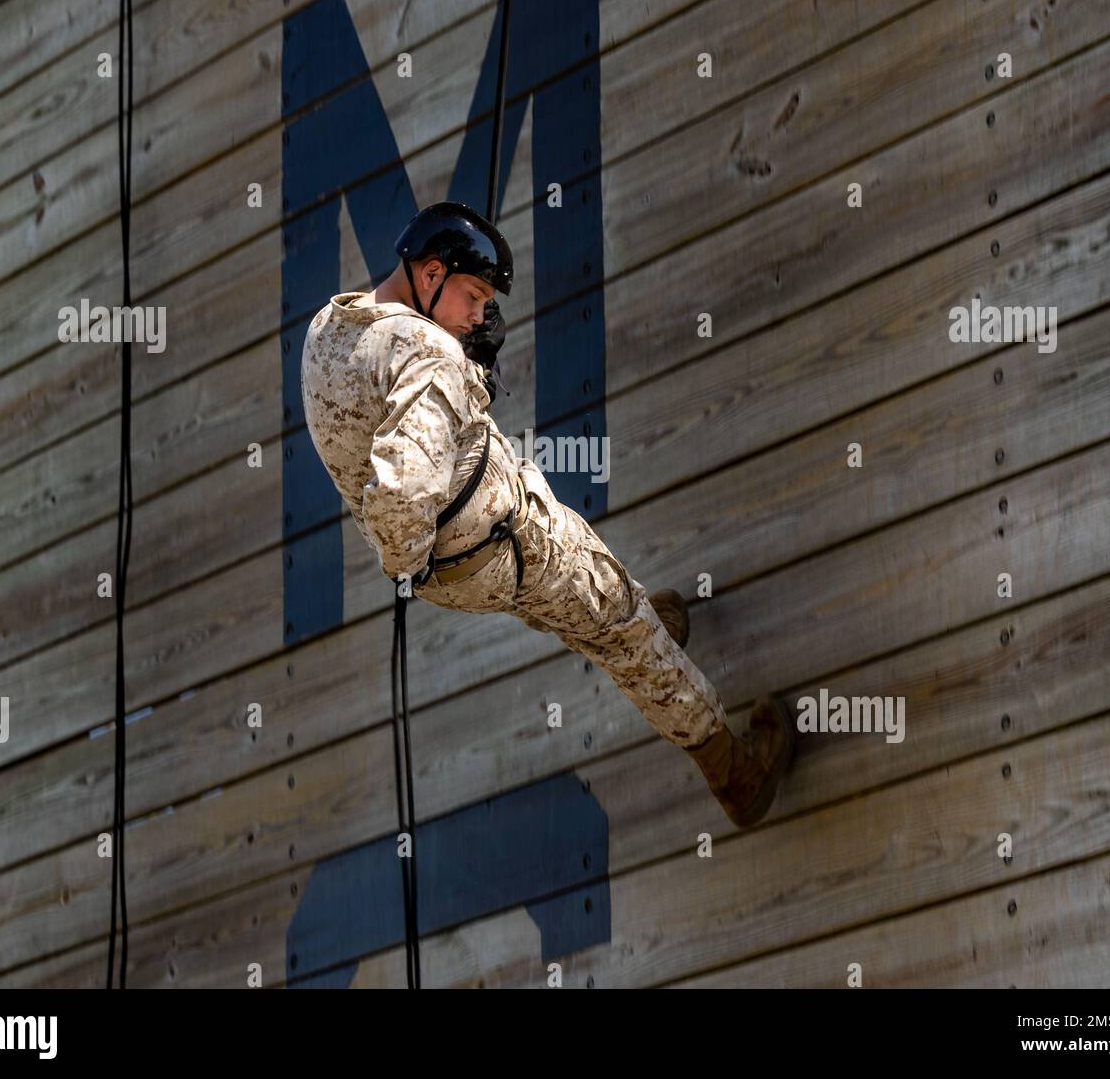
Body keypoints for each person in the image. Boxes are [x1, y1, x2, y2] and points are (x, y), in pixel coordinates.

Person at [299, 200, 795, 826]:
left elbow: (376, 427)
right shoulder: (430, 357)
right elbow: (401, 496)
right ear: (430, 275)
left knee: (573, 605)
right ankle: (735, 770)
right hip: (507, 540)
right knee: (622, 625)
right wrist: (458, 376)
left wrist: (417, 561)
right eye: (474, 296)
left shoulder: (332, 328)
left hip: (460, 568)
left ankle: (632, 625)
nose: (480, 316)